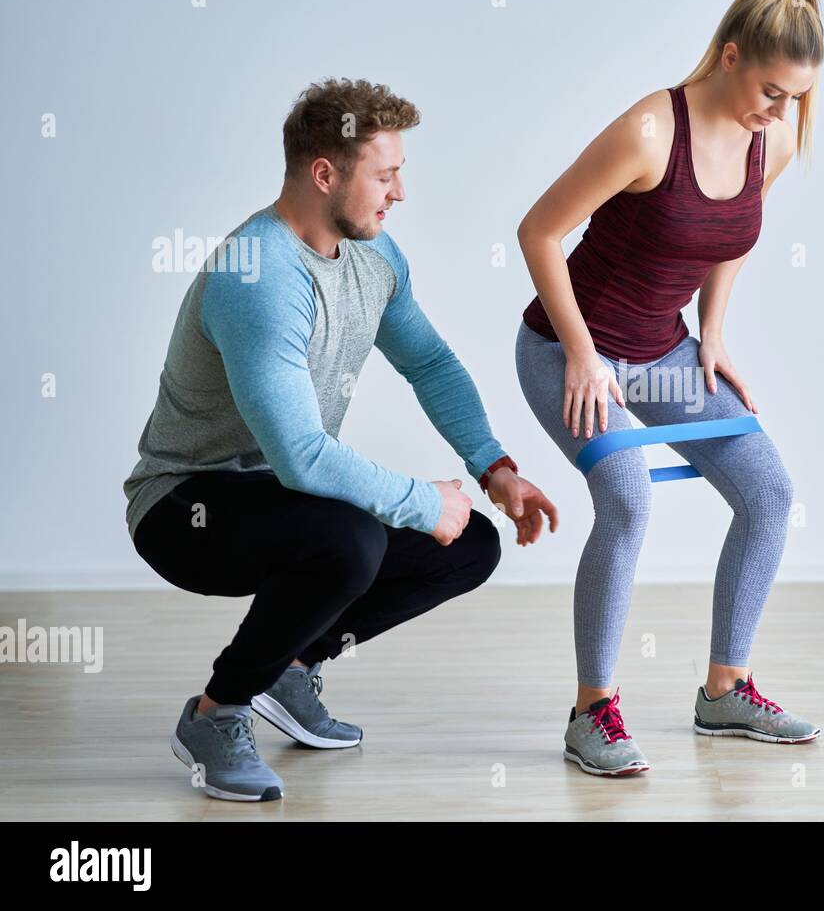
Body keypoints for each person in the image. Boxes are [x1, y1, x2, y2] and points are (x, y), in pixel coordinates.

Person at [124, 78, 558, 801]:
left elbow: (430, 364)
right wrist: (423, 499)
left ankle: (289, 671)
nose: (399, 194)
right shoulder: (260, 274)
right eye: (384, 176)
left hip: (278, 495)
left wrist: (494, 469)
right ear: (325, 173)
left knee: (470, 545)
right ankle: (216, 711)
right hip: (183, 506)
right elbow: (301, 456)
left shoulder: (375, 258)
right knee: (350, 538)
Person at [514, 0, 824, 776]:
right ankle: (593, 713)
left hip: (662, 356)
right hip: (566, 349)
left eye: (794, 97)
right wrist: (582, 353)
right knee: (628, 496)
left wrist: (713, 333)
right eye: (770, 90)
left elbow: (732, 233)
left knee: (770, 493)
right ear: (729, 56)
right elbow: (540, 231)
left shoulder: (774, 139)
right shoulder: (652, 130)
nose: (779, 111)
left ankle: (726, 690)